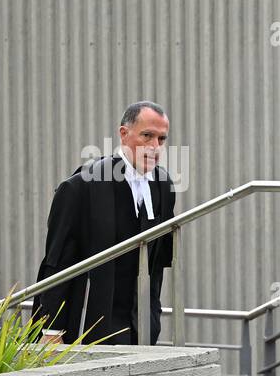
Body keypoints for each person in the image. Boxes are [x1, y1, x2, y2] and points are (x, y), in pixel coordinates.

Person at [32, 101, 176, 345]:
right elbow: (57, 264)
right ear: (124, 133)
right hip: (90, 328)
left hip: (140, 331)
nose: (154, 147)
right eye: (147, 136)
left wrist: (152, 318)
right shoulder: (81, 187)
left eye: (161, 139)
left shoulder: (163, 185)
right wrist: (51, 331)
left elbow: (157, 263)